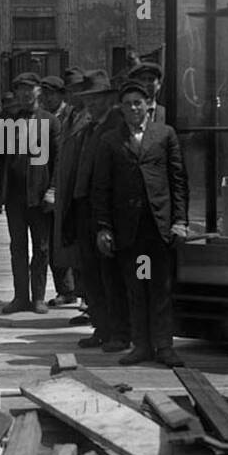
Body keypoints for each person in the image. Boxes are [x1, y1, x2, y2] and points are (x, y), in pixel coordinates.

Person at [92, 80, 188, 365]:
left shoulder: (165, 135)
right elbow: (101, 188)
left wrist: (180, 220)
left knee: (161, 287)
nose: (133, 108)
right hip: (129, 231)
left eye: (138, 102)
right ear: (120, 109)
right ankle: (142, 345)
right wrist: (104, 228)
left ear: (148, 105)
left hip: (158, 228)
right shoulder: (110, 140)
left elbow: (178, 181)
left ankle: (164, 346)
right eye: (127, 104)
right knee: (136, 286)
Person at [62, 70, 130, 352]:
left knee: (110, 275)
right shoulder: (89, 127)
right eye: (87, 98)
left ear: (109, 99)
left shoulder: (117, 126)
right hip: (84, 209)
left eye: (97, 98)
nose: (91, 103)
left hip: (106, 210)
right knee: (91, 273)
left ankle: (119, 332)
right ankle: (101, 328)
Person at [0, 71, 59, 314]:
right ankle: (20, 297)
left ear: (39, 91)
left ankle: (38, 297)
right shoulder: (7, 121)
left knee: (41, 247)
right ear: (16, 94)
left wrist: (53, 190)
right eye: (21, 90)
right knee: (17, 246)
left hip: (40, 197)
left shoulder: (51, 121)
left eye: (30, 89)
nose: (26, 94)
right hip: (15, 197)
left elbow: (59, 161)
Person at [39, 75, 78, 307]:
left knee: (71, 240)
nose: (47, 98)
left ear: (61, 95)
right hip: (48, 187)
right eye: (44, 94)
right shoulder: (43, 117)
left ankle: (80, 291)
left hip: (67, 187)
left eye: (51, 93)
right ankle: (65, 289)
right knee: (54, 242)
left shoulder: (71, 116)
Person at [129, 61, 167, 126]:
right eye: (142, 79)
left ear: (159, 85)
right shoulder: (121, 112)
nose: (146, 83)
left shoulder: (167, 114)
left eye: (151, 79)